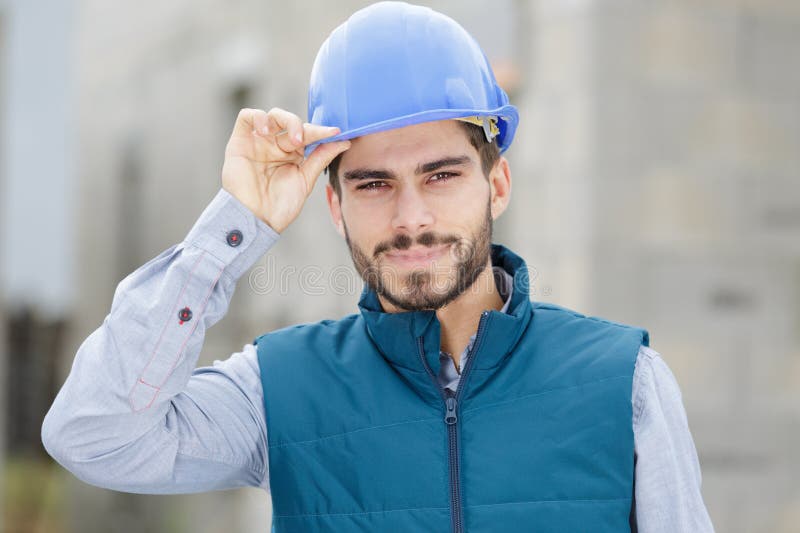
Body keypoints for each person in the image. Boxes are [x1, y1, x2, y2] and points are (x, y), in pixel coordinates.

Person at [41, 2, 715, 532]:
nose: (409, 217)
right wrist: (233, 224)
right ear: (333, 206)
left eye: (441, 174)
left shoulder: (622, 382)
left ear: (498, 183)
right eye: (372, 184)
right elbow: (92, 434)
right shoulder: (278, 389)